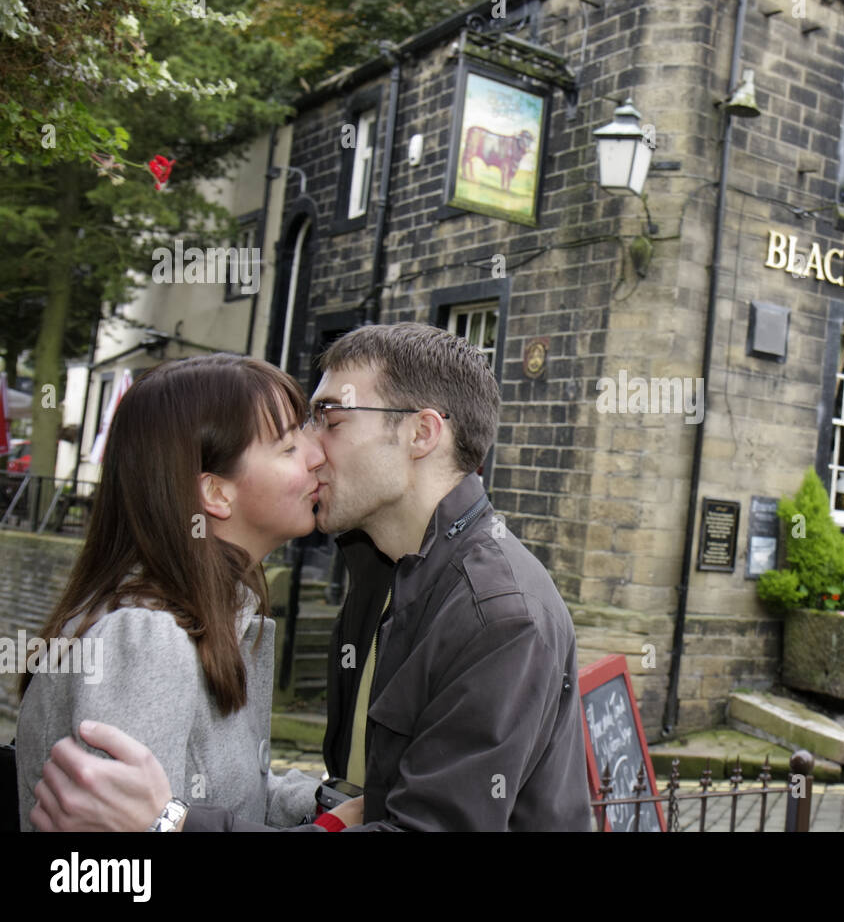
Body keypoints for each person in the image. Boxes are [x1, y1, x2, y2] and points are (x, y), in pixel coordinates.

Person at [32, 323, 592, 831]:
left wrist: (186, 824)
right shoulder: (378, 572)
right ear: (215, 492)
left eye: (331, 420)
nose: (314, 451)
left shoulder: (495, 611)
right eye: (294, 436)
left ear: (422, 434)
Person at [21, 354, 363, 831]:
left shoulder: (215, 617)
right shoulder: (146, 640)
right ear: (216, 495)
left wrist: (323, 803)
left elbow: (222, 790)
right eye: (287, 447)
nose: (316, 454)